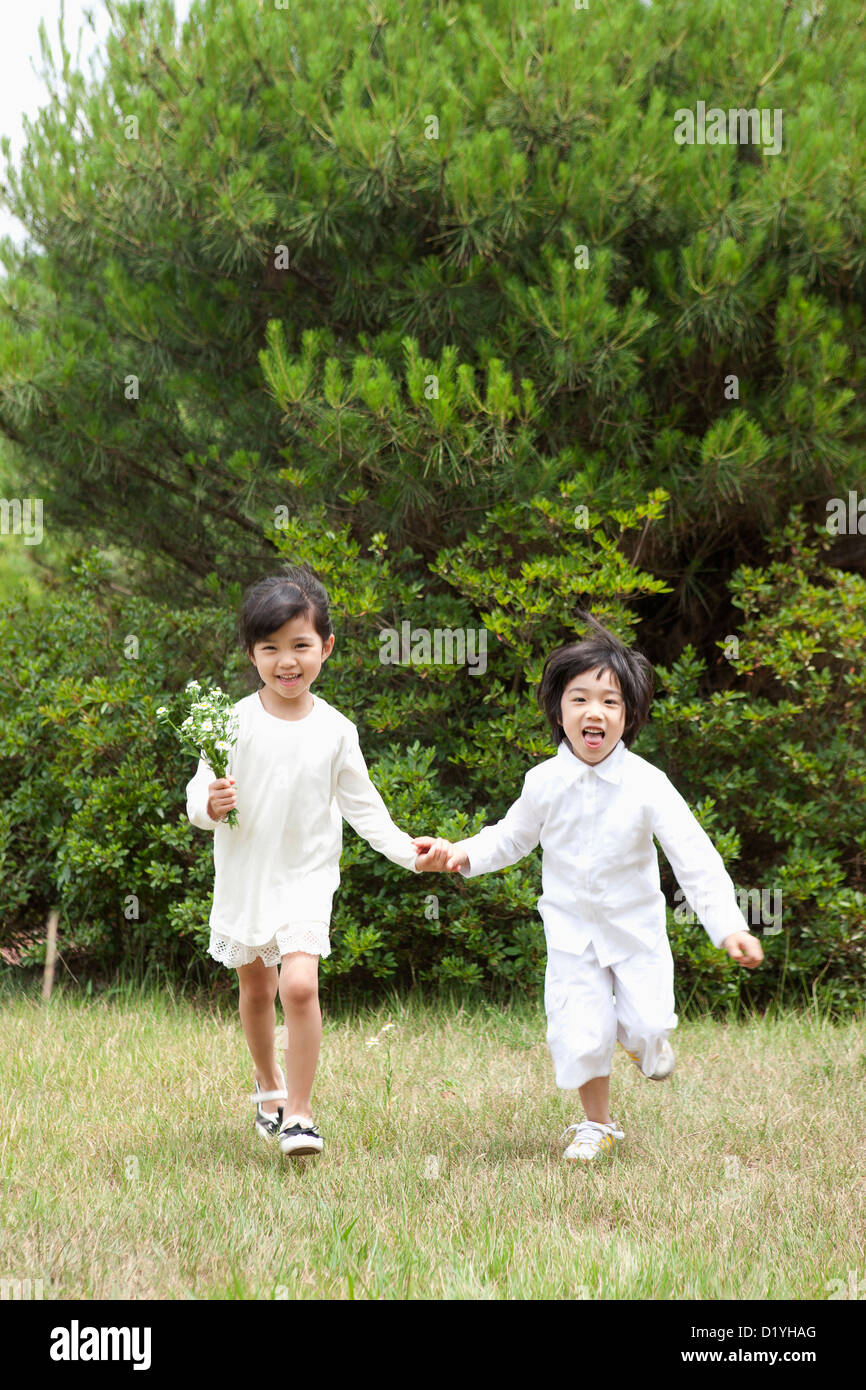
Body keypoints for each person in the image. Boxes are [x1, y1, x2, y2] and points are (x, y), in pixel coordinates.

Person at [413, 612, 764, 1162]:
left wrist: (729, 927)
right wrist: (460, 853)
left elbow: (694, 858)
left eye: (610, 701)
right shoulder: (543, 782)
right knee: (582, 1031)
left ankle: (643, 1042)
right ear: (559, 711)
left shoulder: (649, 784)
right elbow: (510, 837)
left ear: (629, 716)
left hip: (636, 933)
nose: (594, 711)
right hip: (572, 932)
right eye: (579, 699)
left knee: (648, 1024)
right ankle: (596, 1125)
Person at [185, 564, 443, 1158]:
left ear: (325, 646)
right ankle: (269, 1085)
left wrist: (413, 855)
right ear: (252, 655)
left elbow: (365, 810)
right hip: (248, 875)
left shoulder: (336, 730)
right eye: (270, 648)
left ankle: (299, 1115)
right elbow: (197, 798)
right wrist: (210, 805)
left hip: (306, 877)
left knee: (298, 987)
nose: (287, 661)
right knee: (256, 988)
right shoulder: (227, 722)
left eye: (300, 645)